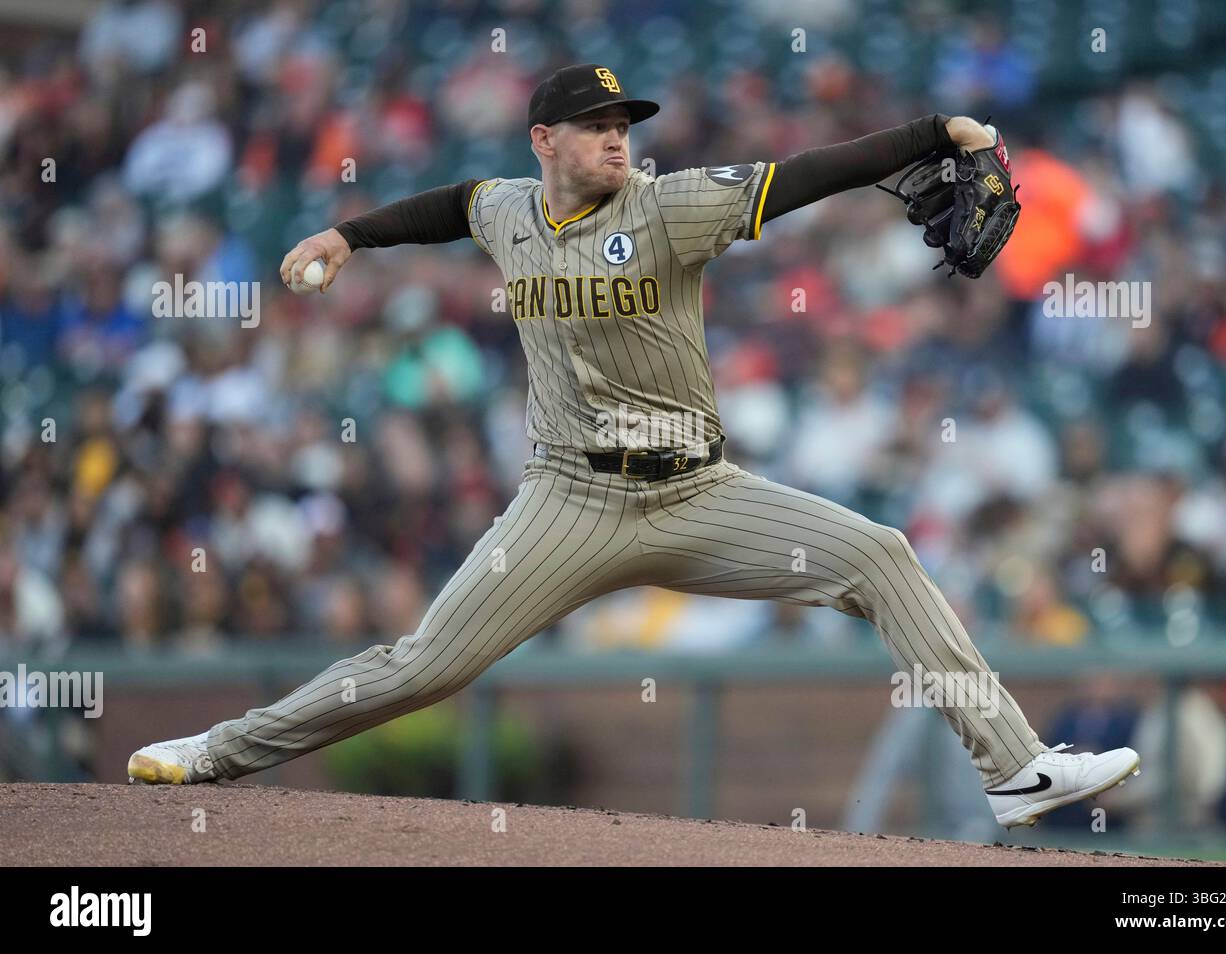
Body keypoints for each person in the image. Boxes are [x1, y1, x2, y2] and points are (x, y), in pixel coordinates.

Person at [127, 63, 1140, 829]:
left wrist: (929, 131)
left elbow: (798, 179)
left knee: (879, 551)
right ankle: (221, 749)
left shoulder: (666, 206)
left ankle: (1013, 767)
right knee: (424, 664)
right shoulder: (508, 209)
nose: (618, 140)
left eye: (624, 125)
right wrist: (349, 235)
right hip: (566, 498)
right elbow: (448, 206)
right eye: (598, 127)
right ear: (544, 140)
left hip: (697, 493)